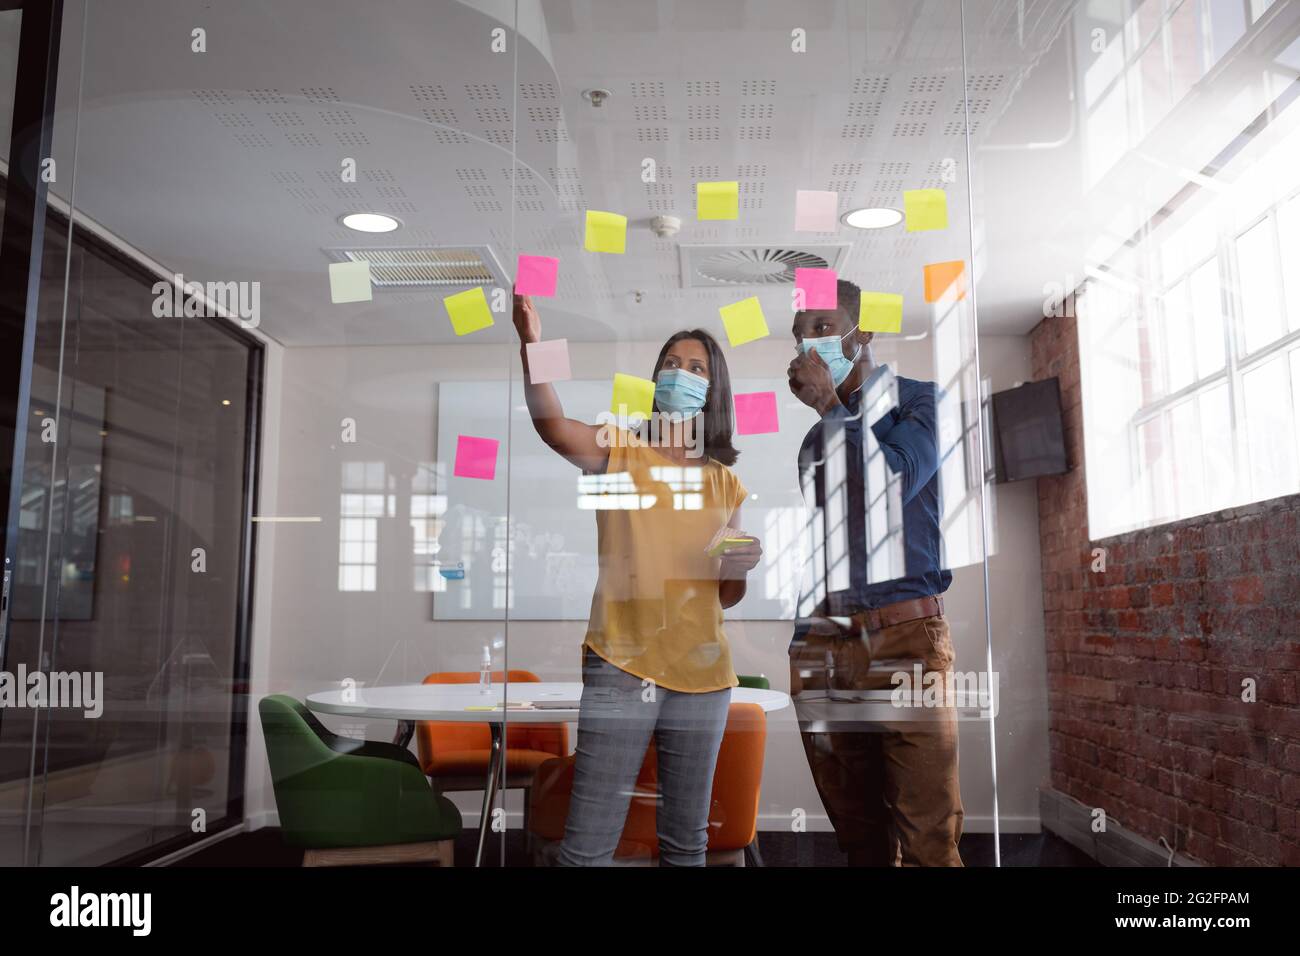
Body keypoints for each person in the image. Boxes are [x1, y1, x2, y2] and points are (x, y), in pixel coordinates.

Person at [512, 290, 762, 866]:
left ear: (712, 388)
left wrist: (739, 569)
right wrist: (534, 344)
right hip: (621, 664)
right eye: (671, 364)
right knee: (588, 847)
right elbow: (552, 425)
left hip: (704, 675)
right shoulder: (620, 448)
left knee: (687, 845)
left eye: (696, 367)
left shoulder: (725, 482)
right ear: (655, 381)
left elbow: (724, 595)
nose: (681, 373)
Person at [785, 277, 963, 866]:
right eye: (798, 334)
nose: (807, 346)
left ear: (863, 334)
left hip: (908, 643)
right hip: (827, 647)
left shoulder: (921, 400)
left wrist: (831, 406)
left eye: (821, 328)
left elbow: (892, 485)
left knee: (929, 842)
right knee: (858, 839)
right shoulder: (815, 440)